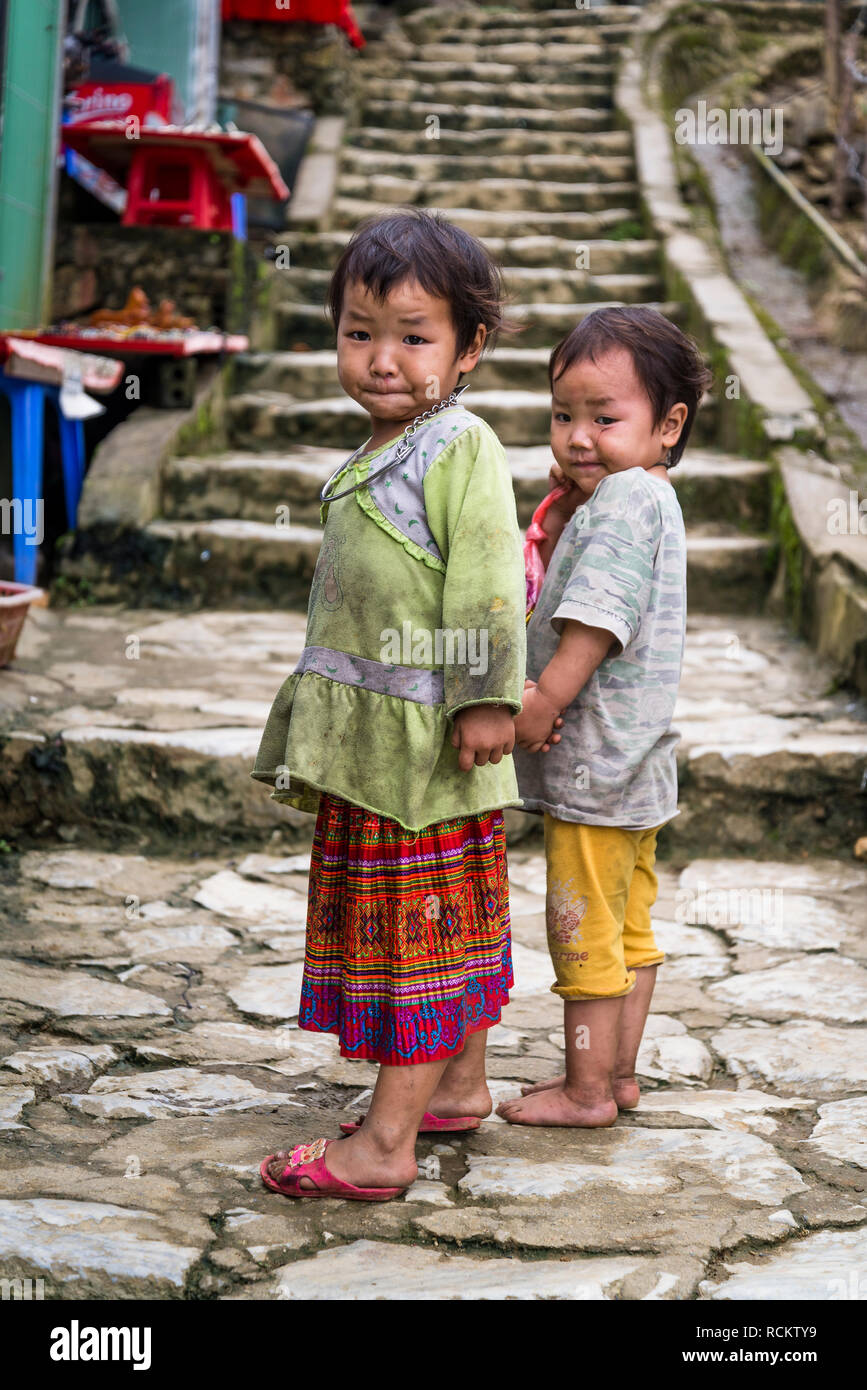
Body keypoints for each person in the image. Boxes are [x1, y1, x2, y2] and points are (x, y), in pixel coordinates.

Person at [252, 209, 531, 1199]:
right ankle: (457, 1085)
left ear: (468, 351)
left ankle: (384, 1145)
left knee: (420, 938)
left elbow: (491, 578)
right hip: (380, 757)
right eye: (359, 331)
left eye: (415, 336)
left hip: (427, 754)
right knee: (441, 923)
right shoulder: (377, 450)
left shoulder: (459, 446)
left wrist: (488, 698)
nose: (382, 357)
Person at [497, 306, 712, 1127]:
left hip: (591, 768)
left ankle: (585, 1091)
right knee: (628, 933)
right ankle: (619, 1077)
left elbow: (596, 619)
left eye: (603, 418)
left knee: (579, 932)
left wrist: (542, 697)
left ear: (667, 424)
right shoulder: (647, 495)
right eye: (562, 415)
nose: (577, 436)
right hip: (637, 767)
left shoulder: (623, 500)